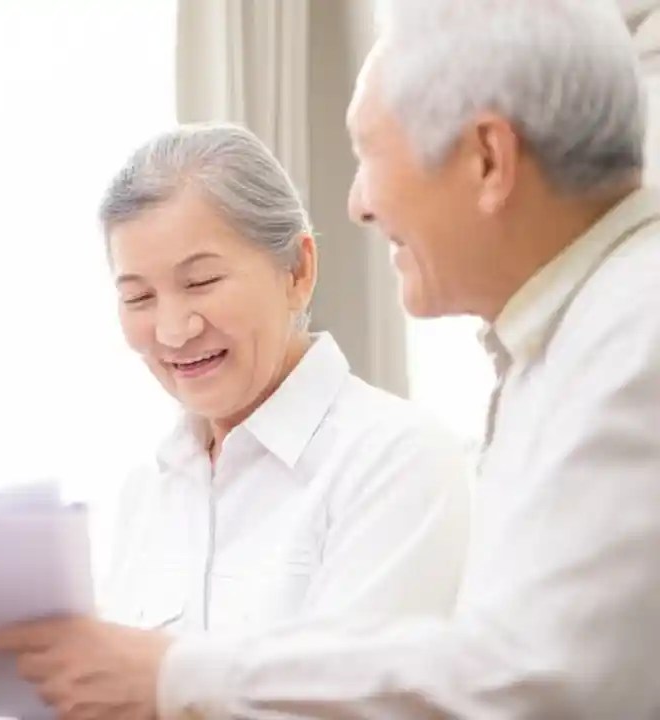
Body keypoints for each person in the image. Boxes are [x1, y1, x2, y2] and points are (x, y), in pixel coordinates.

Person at [0, 0, 660, 717]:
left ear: (489, 159)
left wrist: (175, 679)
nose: (359, 204)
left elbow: (534, 681)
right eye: (138, 295)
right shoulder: (560, 352)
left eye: (370, 154)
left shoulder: (632, 339)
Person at [94, 123, 471, 639]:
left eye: (201, 282)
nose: (173, 330)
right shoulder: (147, 495)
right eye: (138, 298)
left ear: (297, 271)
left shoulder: (398, 461)